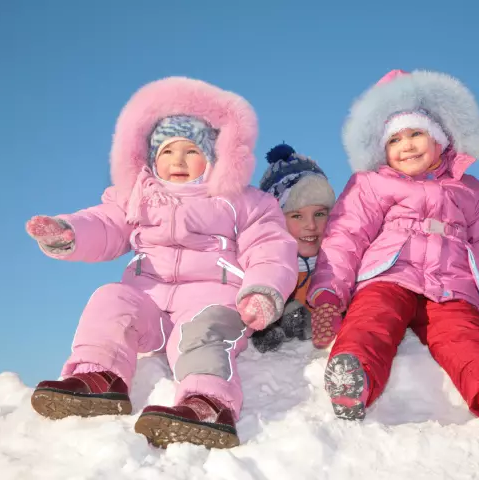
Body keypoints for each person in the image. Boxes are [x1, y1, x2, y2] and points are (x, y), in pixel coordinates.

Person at [25, 77, 298, 449]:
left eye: (190, 151)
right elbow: (105, 225)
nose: (178, 161)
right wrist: (68, 232)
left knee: (205, 332)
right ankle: (99, 377)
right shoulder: (136, 196)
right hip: (149, 301)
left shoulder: (241, 201)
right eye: (167, 152)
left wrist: (262, 290)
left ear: (215, 156)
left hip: (211, 300)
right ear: (152, 158)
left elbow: (268, 246)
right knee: (110, 299)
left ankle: (207, 403)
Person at [308, 69, 479, 434]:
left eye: (416, 133)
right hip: (389, 275)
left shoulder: (467, 189)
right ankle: (354, 379)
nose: (406, 145)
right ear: (381, 148)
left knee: (466, 338)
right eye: (394, 139)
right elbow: (346, 235)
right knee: (372, 319)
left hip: (451, 287)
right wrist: (330, 291)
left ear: (440, 139)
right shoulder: (372, 184)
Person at [251, 143, 336, 352]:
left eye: (320, 213)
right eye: (297, 215)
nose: (311, 225)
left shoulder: (339, 265)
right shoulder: (263, 266)